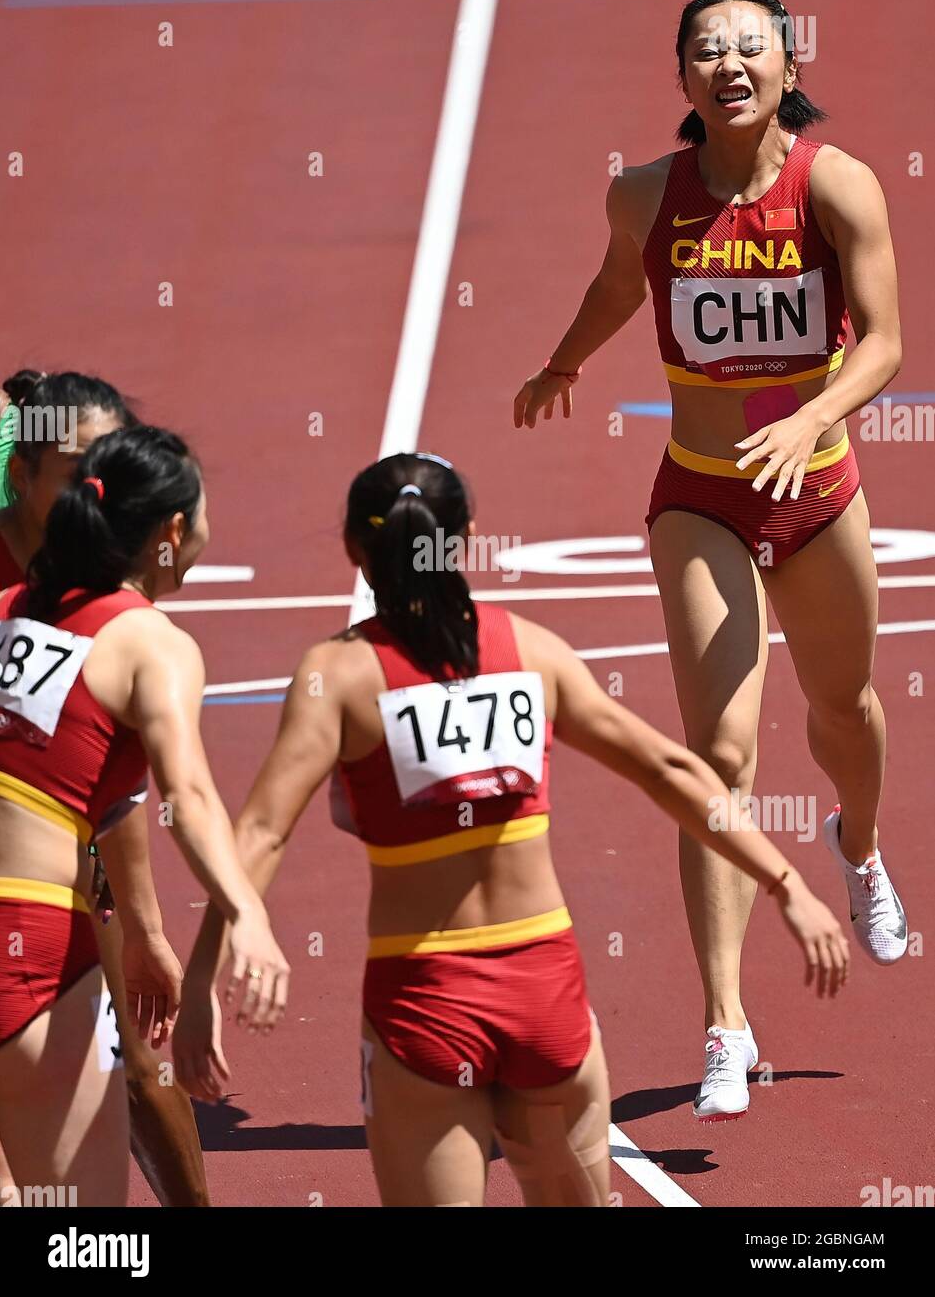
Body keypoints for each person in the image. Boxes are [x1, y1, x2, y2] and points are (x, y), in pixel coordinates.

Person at [174, 451, 847, 1206]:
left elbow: (260, 832)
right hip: (544, 996)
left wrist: (204, 976)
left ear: (353, 552)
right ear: (465, 537)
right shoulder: (530, 653)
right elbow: (673, 771)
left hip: (423, 1000)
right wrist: (785, 884)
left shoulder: (340, 676)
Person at [512, 0, 907, 1122]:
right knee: (718, 754)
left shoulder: (834, 185)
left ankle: (861, 849)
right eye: (706, 52)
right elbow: (613, 288)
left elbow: (884, 341)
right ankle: (725, 1020)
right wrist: (562, 362)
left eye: (750, 48)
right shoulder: (644, 193)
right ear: (681, 78)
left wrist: (812, 418)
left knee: (843, 711)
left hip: (818, 492)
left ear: (786, 66)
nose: (729, 65)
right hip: (700, 497)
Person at [0, 424, 289, 1205]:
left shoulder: (3, 610)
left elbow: (98, 792)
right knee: (87, 1235)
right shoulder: (149, 642)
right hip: (29, 948)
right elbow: (185, 799)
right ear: (170, 532)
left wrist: (144, 928)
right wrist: (245, 912)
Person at [0, 367, 210, 1206]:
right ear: (22, 475)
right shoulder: (24, 592)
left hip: (57, 851)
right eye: (81, 466)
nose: (102, 483)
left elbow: (109, 773)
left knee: (136, 1051)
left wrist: (144, 923)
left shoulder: (95, 586)